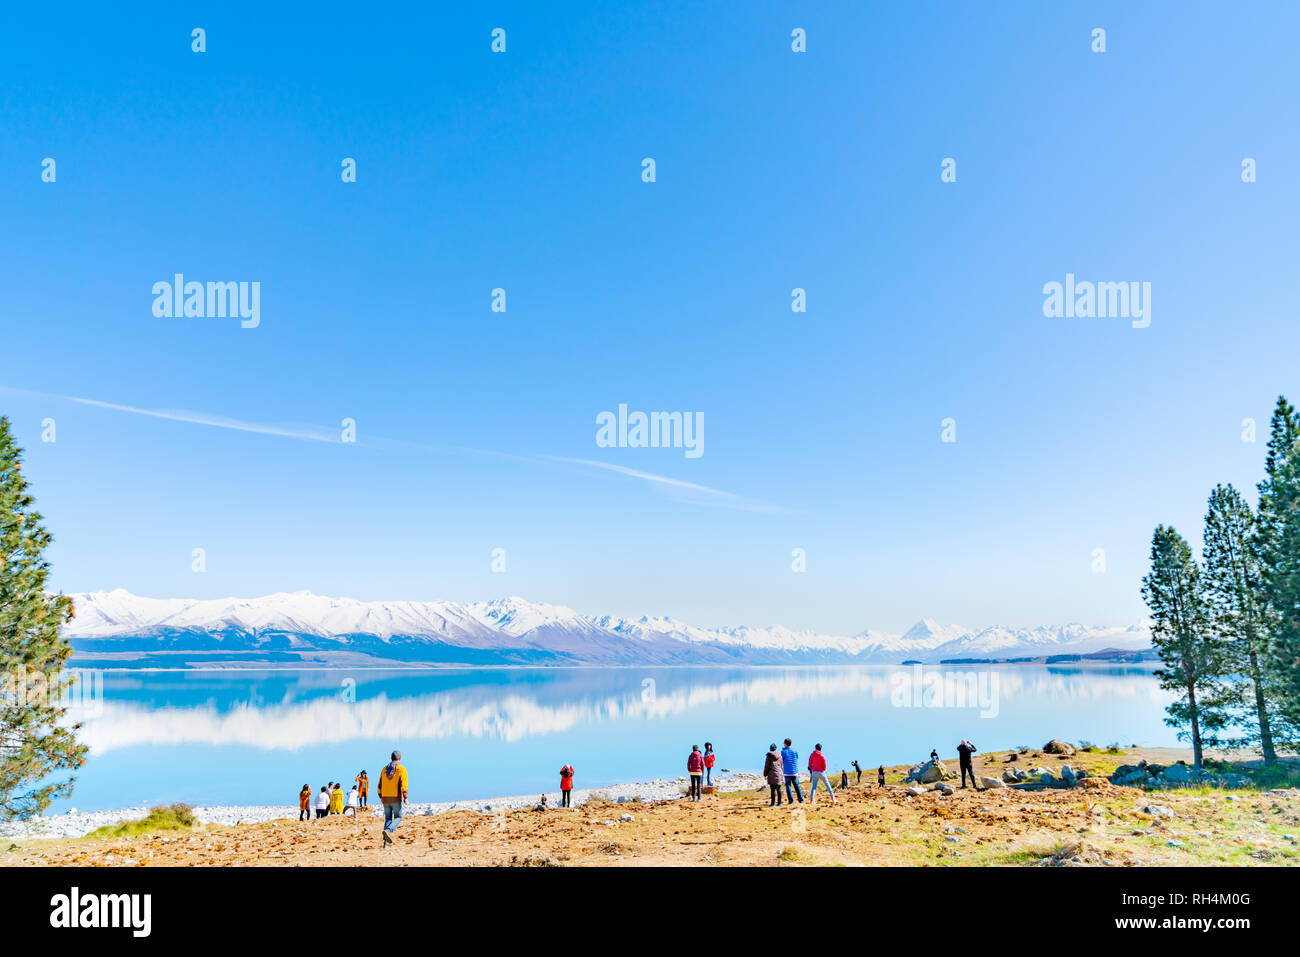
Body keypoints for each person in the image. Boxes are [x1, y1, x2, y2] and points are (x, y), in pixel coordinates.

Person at [378, 750, 408, 846]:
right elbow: (404, 784)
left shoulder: (384, 769)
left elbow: (379, 785)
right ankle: (389, 830)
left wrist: (380, 795)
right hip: (395, 797)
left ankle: (386, 844)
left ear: (391, 758)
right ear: (400, 759)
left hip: (385, 798)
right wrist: (405, 797)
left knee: (388, 818)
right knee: (398, 817)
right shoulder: (401, 769)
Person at [780, 738, 804, 804]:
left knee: (788, 786)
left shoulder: (783, 752)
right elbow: (796, 758)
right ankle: (801, 800)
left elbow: (781, 760)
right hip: (794, 771)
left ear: (785, 744)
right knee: (797, 786)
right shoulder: (795, 751)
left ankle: (791, 801)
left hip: (787, 771)